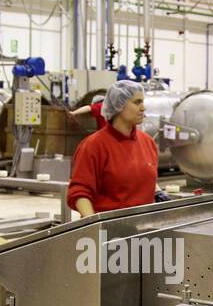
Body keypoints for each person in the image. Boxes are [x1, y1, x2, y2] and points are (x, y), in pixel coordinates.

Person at [66, 81, 159, 217]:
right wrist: (94, 227)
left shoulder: (148, 143)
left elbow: (140, 177)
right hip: (109, 229)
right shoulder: (94, 145)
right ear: (118, 105)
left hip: (144, 228)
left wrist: (158, 192)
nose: (143, 108)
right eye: (137, 102)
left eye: (143, 102)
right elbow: (80, 192)